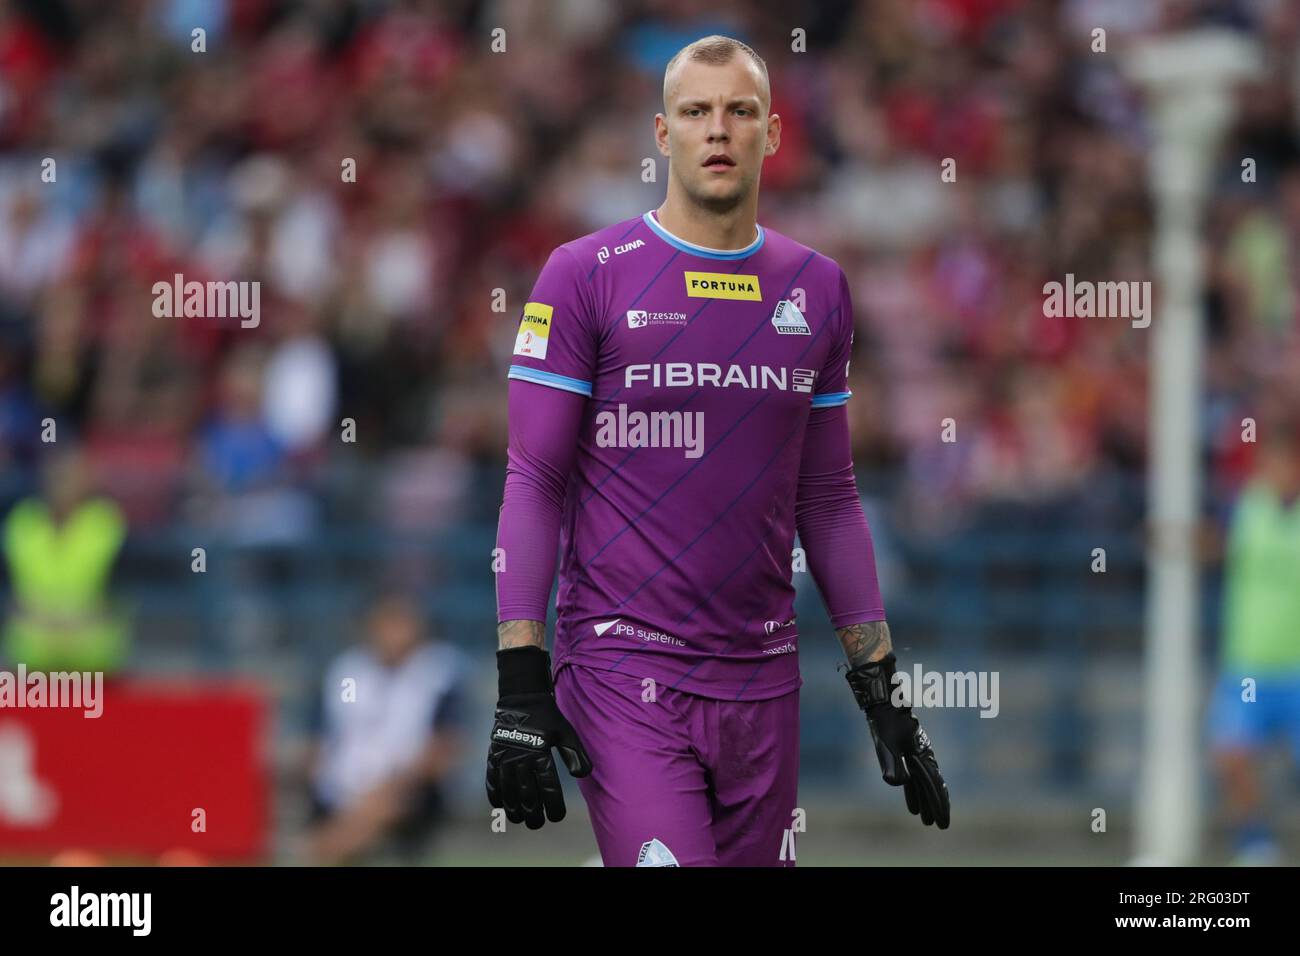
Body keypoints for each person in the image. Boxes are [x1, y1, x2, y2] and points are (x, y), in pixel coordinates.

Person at [489, 35, 949, 867]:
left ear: (772, 134)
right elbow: (534, 478)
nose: (718, 131)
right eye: (695, 112)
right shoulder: (584, 274)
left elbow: (830, 501)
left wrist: (883, 689)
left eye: (740, 113)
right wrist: (520, 677)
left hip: (762, 680)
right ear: (662, 135)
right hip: (623, 663)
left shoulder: (816, 288)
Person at [305, 589, 469, 865]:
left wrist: (393, 786)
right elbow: (317, 743)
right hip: (342, 787)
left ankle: (327, 846)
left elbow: (447, 746)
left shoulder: (438, 672)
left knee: (382, 806)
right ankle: (336, 841)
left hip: (407, 789)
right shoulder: (346, 671)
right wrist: (320, 778)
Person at [1208, 410, 1300, 864]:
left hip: (1297, 666)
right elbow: (1216, 544)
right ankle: (1255, 843)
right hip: (1249, 664)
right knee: (1231, 754)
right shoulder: (1247, 506)